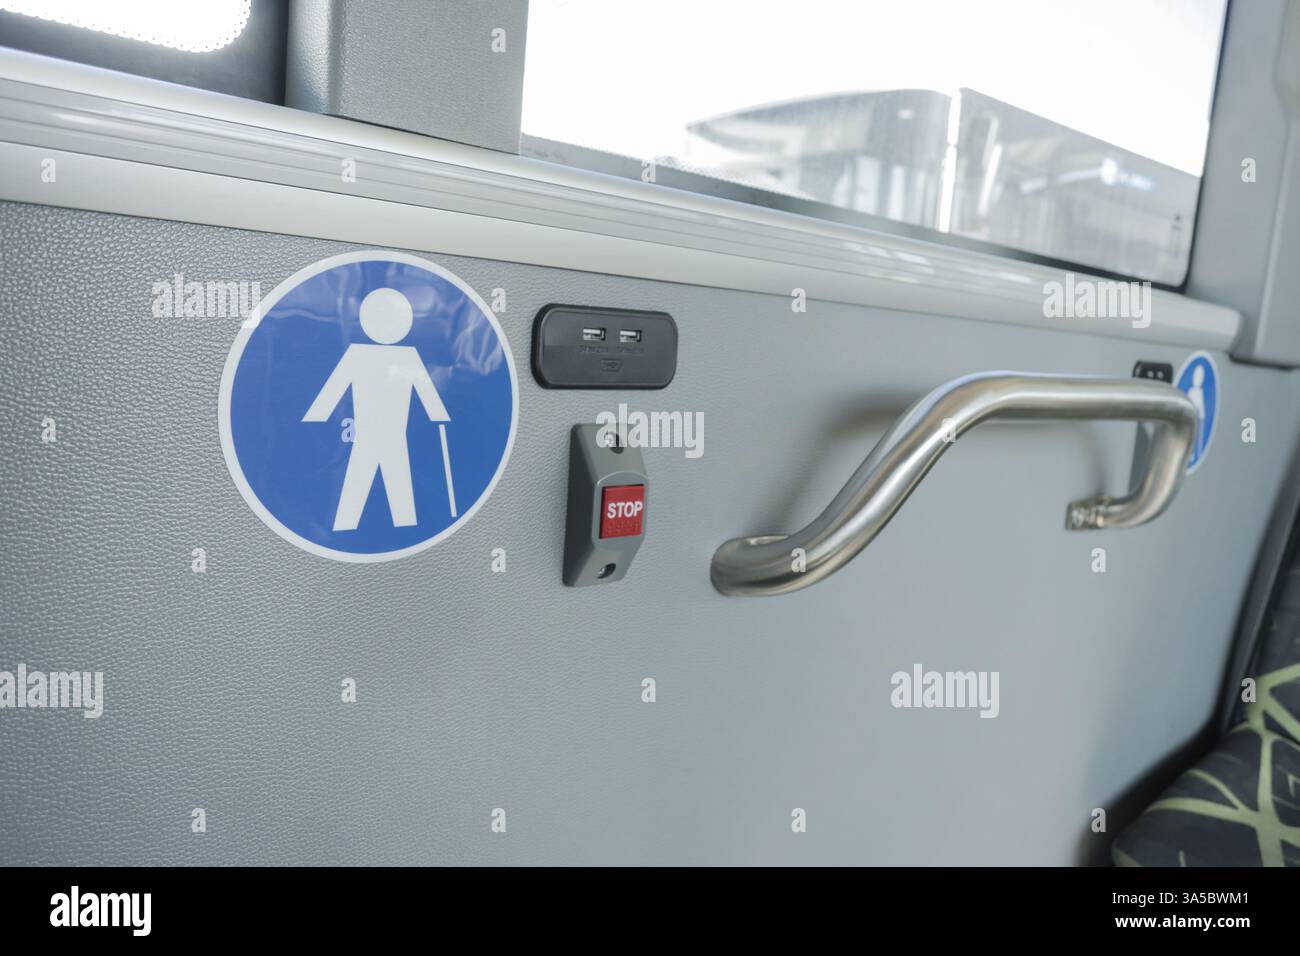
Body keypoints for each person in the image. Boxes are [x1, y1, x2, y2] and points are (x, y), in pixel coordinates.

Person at [303, 288, 450, 531]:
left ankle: (359, 526)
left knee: (380, 481)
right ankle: (380, 525)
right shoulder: (393, 357)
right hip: (379, 434)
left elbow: (332, 392)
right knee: (380, 481)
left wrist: (318, 414)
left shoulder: (372, 356)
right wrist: (438, 415)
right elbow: (428, 397)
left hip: (383, 435)